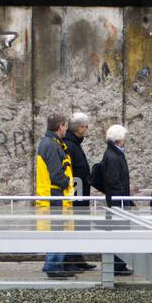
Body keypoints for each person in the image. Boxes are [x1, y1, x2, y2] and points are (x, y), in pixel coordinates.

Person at [91, 123, 134, 276]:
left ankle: (119, 264)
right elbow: (115, 182)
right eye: (124, 138)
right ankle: (117, 265)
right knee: (118, 233)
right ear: (119, 140)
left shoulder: (113, 153)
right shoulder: (114, 156)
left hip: (117, 201)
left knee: (118, 233)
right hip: (117, 203)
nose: (126, 141)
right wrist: (122, 203)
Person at [35, 113, 74, 279]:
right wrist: (67, 182)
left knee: (57, 229)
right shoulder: (52, 145)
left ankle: (53, 264)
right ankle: (53, 266)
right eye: (65, 126)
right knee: (57, 230)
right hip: (54, 195)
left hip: (54, 195)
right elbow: (56, 174)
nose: (66, 129)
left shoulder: (50, 143)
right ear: (60, 126)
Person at [60, 112, 96, 274]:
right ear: (77, 128)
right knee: (72, 226)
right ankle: (70, 261)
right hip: (75, 193)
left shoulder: (75, 143)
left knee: (79, 226)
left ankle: (77, 258)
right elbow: (69, 172)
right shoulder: (69, 144)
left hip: (80, 191)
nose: (87, 129)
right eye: (85, 126)